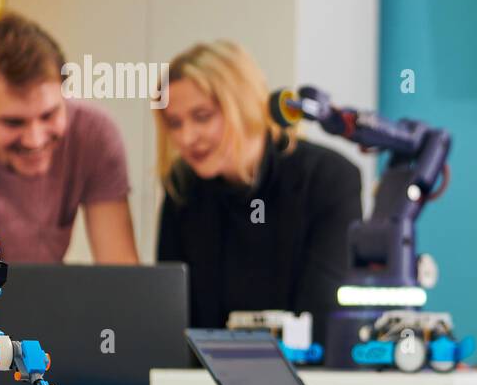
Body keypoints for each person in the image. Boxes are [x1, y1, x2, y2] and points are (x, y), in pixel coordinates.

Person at [155, 40, 362, 348]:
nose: (186, 137)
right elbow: (171, 319)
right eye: (175, 123)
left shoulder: (328, 178)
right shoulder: (183, 187)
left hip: (305, 372)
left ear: (244, 105)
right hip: (204, 374)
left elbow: (321, 319)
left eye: (202, 116)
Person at [0, 11, 138, 262]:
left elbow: (119, 265)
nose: (35, 140)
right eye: (13, 122)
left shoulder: (94, 134)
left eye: (49, 115)